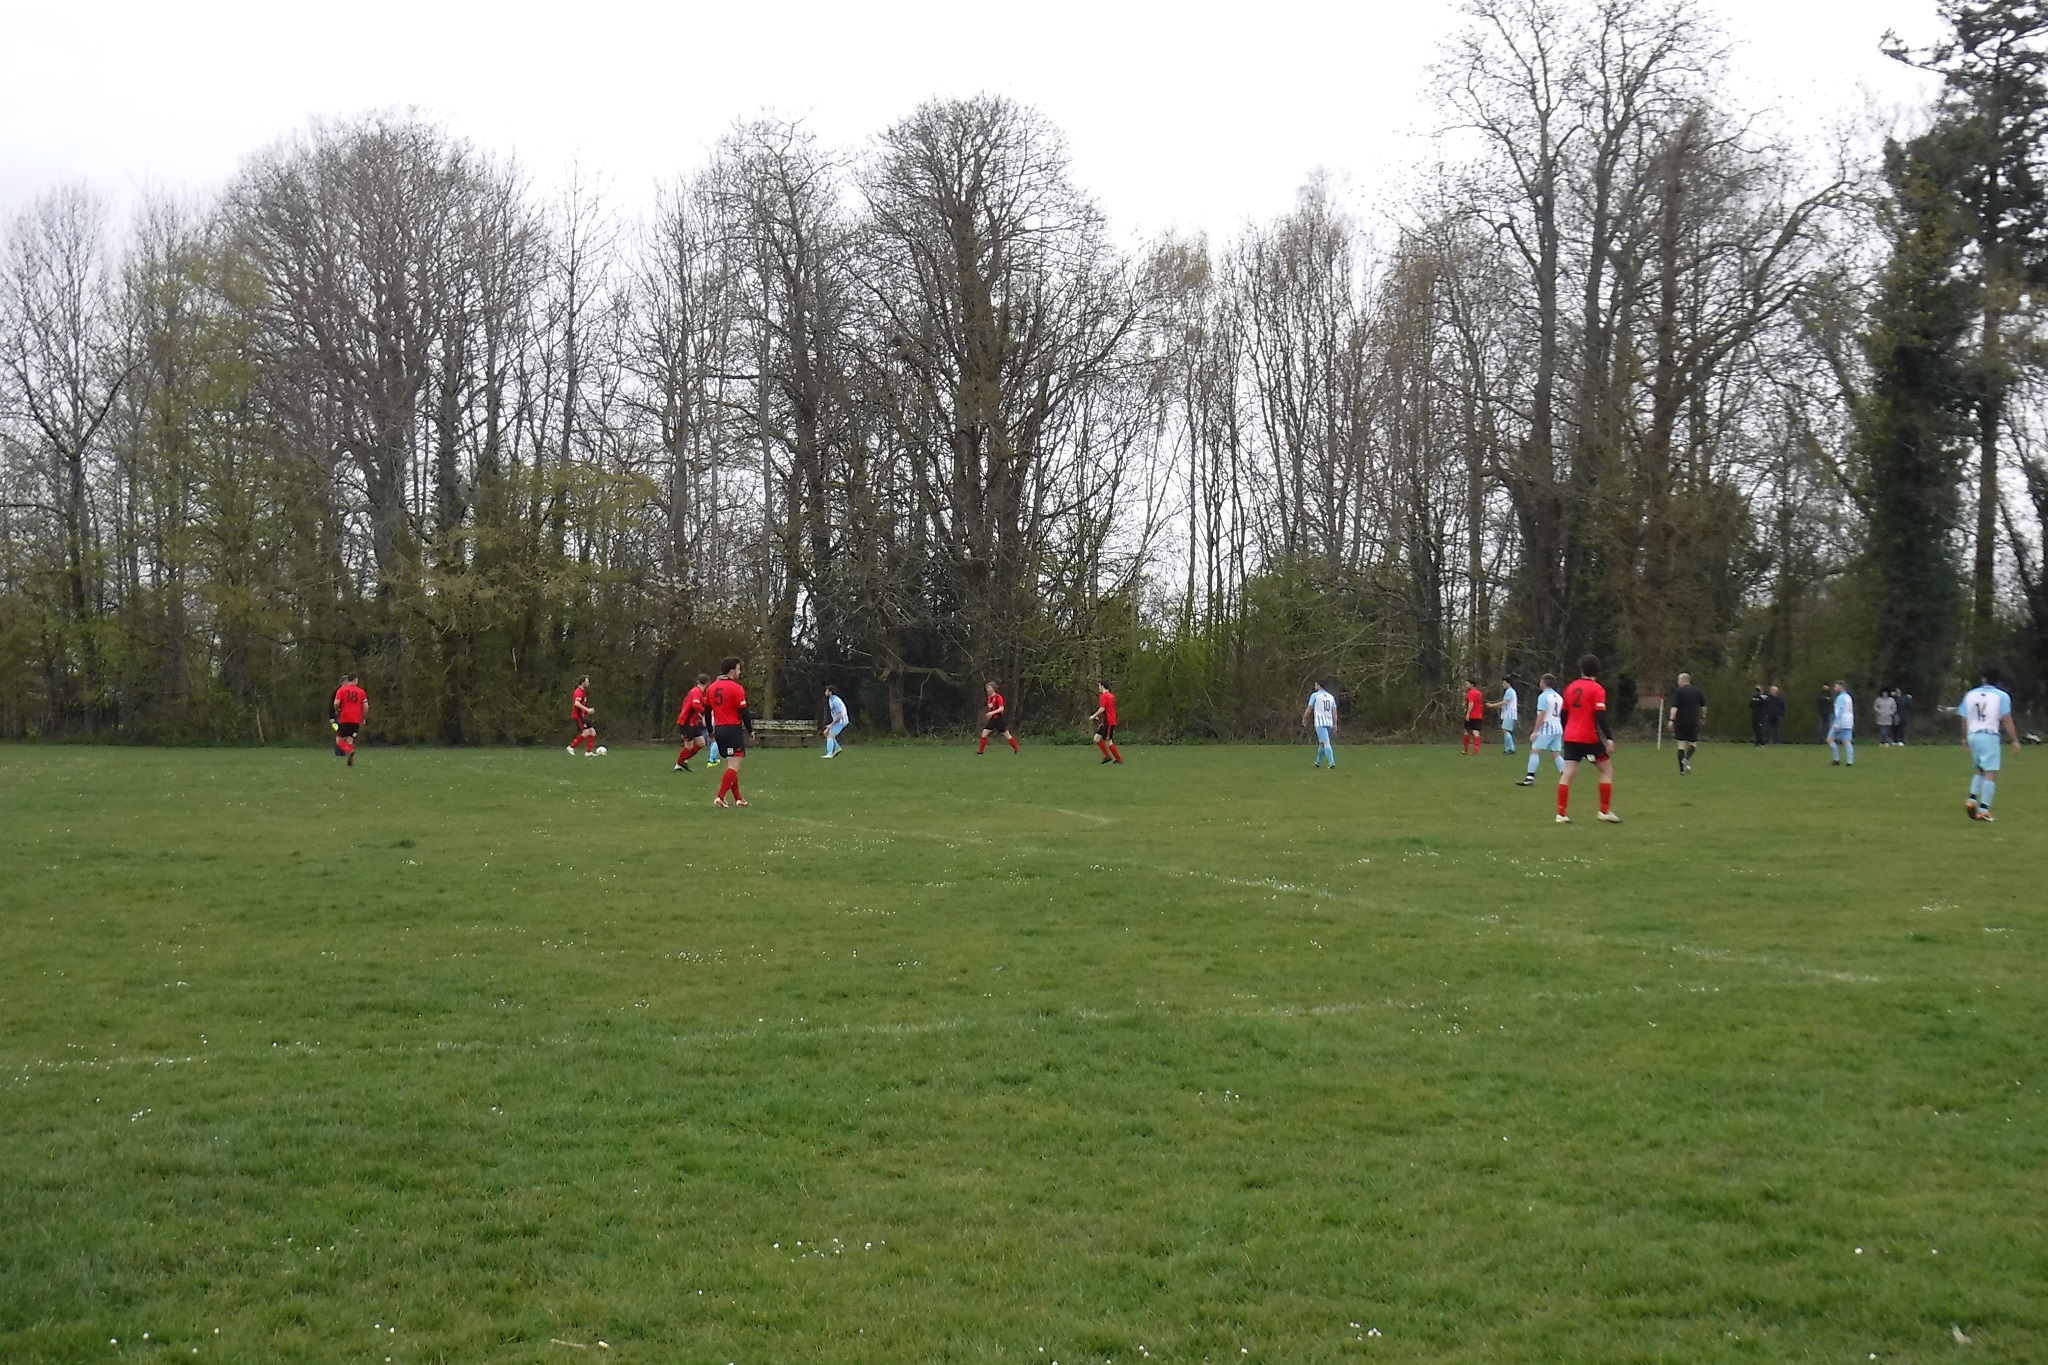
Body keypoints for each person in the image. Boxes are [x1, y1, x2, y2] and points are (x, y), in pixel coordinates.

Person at [1556, 654, 1620, 824]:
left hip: (1570, 736)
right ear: (1597, 670)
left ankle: (1561, 814)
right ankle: (1604, 811)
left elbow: (1563, 714)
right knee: (1606, 771)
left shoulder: (1570, 687)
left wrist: (1566, 731)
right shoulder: (1597, 689)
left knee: (1567, 774)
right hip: (1589, 737)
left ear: (1581, 669)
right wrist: (1609, 738)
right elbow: (1600, 715)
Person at [1962, 664, 2021, 822]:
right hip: (1989, 735)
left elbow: (1964, 717)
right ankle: (1983, 810)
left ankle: (1971, 800)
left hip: (1973, 734)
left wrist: (1963, 738)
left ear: (1983, 679)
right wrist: (2015, 740)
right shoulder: (2001, 696)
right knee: (1991, 772)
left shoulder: (1970, 694)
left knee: (1980, 769)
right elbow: (2006, 719)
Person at [706, 657, 752, 808]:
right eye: (738, 669)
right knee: (734, 766)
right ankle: (720, 797)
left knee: (730, 765)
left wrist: (710, 730)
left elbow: (707, 711)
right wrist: (750, 730)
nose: (740, 672)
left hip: (719, 730)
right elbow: (743, 712)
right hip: (732, 729)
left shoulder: (712, 687)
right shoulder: (736, 688)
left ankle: (739, 799)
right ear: (732, 670)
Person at [1519, 673, 1565, 787]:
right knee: (1556, 753)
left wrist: (1535, 731)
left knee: (1535, 751)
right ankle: (1566, 775)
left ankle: (1529, 778)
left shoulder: (1543, 696)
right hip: (1557, 727)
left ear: (1544, 682)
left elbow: (1542, 714)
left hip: (1547, 726)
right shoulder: (1558, 697)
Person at [1669, 673, 1707, 773]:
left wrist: (1671, 720)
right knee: (1693, 744)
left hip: (1680, 721)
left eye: (1678, 680)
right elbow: (1703, 706)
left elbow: (1674, 707)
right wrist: (1703, 717)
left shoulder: (1679, 692)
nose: (1677, 682)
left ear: (1683, 681)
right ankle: (1686, 759)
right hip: (1693, 721)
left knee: (1681, 745)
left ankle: (1682, 770)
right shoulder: (1698, 691)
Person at [330, 673, 368, 767]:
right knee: (350, 740)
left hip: (344, 718)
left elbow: (336, 703)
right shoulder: (361, 691)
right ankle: (351, 762)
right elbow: (366, 706)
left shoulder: (341, 690)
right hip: (356, 720)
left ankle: (349, 751)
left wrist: (337, 710)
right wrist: (363, 717)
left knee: (339, 740)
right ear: (356, 680)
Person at [674, 674, 710, 771]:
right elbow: (695, 704)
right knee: (689, 745)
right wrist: (704, 712)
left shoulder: (697, 692)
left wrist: (698, 715)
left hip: (693, 722)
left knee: (701, 743)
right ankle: (678, 764)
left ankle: (684, 760)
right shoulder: (697, 691)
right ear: (707, 683)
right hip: (686, 722)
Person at [977, 682, 1020, 755]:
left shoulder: (998, 697)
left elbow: (1001, 709)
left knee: (1007, 734)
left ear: (993, 688)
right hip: (993, 719)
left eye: (989, 688)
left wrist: (992, 713)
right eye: (987, 688)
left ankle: (1017, 750)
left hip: (999, 719)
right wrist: (989, 714)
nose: (987, 689)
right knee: (984, 733)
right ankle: (980, 752)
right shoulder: (989, 698)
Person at [1303, 682, 1338, 769]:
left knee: (1326, 742)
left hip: (1320, 722)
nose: (1314, 686)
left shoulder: (1315, 695)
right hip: (1329, 722)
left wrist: (1304, 718)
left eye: (1315, 685)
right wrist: (1335, 724)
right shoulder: (1331, 697)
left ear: (1318, 685)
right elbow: (1334, 712)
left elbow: (1309, 708)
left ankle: (1331, 762)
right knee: (1322, 743)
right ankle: (1318, 761)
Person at [1091, 681, 1124, 765]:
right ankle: (1107, 757)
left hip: (1109, 722)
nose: (1099, 688)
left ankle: (1119, 760)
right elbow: (1108, 709)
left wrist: (1094, 716)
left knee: (1108, 741)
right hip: (1107, 721)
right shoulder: (1111, 696)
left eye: (1099, 686)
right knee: (1097, 738)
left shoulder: (1104, 696)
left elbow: (1102, 709)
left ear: (1102, 686)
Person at [568, 675, 598, 756]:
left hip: (582, 716)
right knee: (586, 733)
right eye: (587, 682)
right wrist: (587, 710)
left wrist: (588, 710)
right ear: (582, 682)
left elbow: (581, 704)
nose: (588, 683)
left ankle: (588, 752)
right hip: (578, 716)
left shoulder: (582, 692)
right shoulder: (578, 691)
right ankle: (571, 747)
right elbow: (576, 703)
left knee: (592, 732)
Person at [1827, 680, 1855, 766]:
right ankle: (1849, 761)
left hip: (1841, 721)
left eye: (1836, 687)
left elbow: (1840, 710)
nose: (1834, 688)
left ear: (1841, 687)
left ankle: (1836, 759)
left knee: (1829, 739)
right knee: (1846, 741)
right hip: (1849, 720)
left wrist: (1835, 722)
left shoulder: (1840, 698)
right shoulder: (1849, 697)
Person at [1490, 678, 1520, 754]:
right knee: (1506, 730)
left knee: (1505, 730)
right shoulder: (1510, 691)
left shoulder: (1509, 691)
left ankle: (1511, 748)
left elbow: (1505, 702)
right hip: (1509, 713)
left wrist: (1492, 705)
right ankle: (1507, 749)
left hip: (1509, 714)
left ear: (1508, 683)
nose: (1502, 685)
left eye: (1504, 683)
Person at [823, 685, 850, 759]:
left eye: (826, 691)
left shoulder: (835, 701)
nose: (825, 692)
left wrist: (831, 724)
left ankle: (829, 753)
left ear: (830, 692)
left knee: (830, 735)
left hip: (841, 721)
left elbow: (839, 715)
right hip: (838, 720)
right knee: (826, 732)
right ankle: (837, 748)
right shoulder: (831, 699)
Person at [1461, 679, 1486, 755]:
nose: (1466, 686)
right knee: (1476, 732)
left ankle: (1465, 750)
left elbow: (1471, 704)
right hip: (1479, 715)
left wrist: (1468, 713)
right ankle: (1476, 750)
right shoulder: (1479, 693)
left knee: (1466, 731)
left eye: (1467, 684)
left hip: (1472, 715)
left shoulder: (1470, 693)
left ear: (1472, 685)